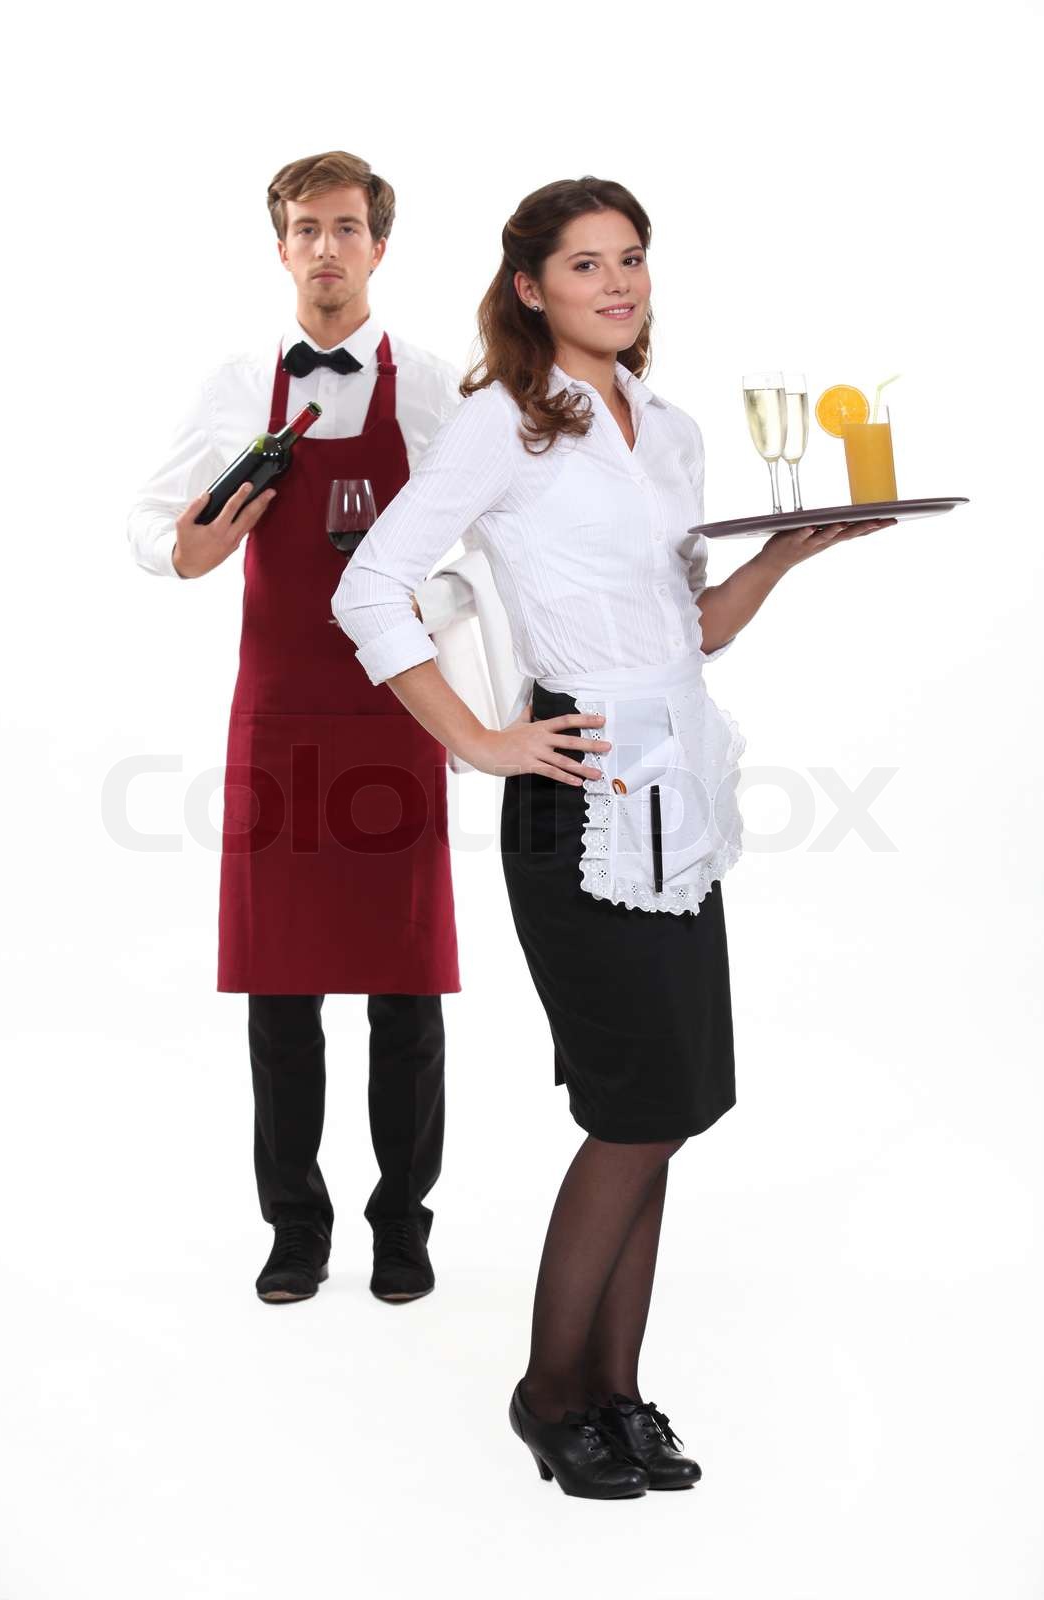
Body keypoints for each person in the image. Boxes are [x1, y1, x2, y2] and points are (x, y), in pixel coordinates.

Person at [331, 175, 896, 1497]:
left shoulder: (673, 429)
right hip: (575, 788)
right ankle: (548, 1393)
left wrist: (780, 558)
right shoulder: (500, 424)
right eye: (584, 264)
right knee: (632, 1110)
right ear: (528, 288)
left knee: (672, 1107)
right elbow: (371, 586)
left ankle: (617, 1394)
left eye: (629, 257)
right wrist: (478, 738)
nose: (616, 282)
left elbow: (684, 629)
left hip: (673, 786)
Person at [127, 150, 465, 1307]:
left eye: (346, 227)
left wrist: (436, 601)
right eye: (307, 228)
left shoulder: (434, 387)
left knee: (404, 986)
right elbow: (150, 519)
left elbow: (493, 538)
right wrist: (184, 549)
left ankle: (402, 1222)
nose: (326, 246)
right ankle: (294, 1227)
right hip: (276, 716)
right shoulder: (235, 383)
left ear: (380, 246)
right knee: (281, 987)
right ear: (281, 247)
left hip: (397, 708)